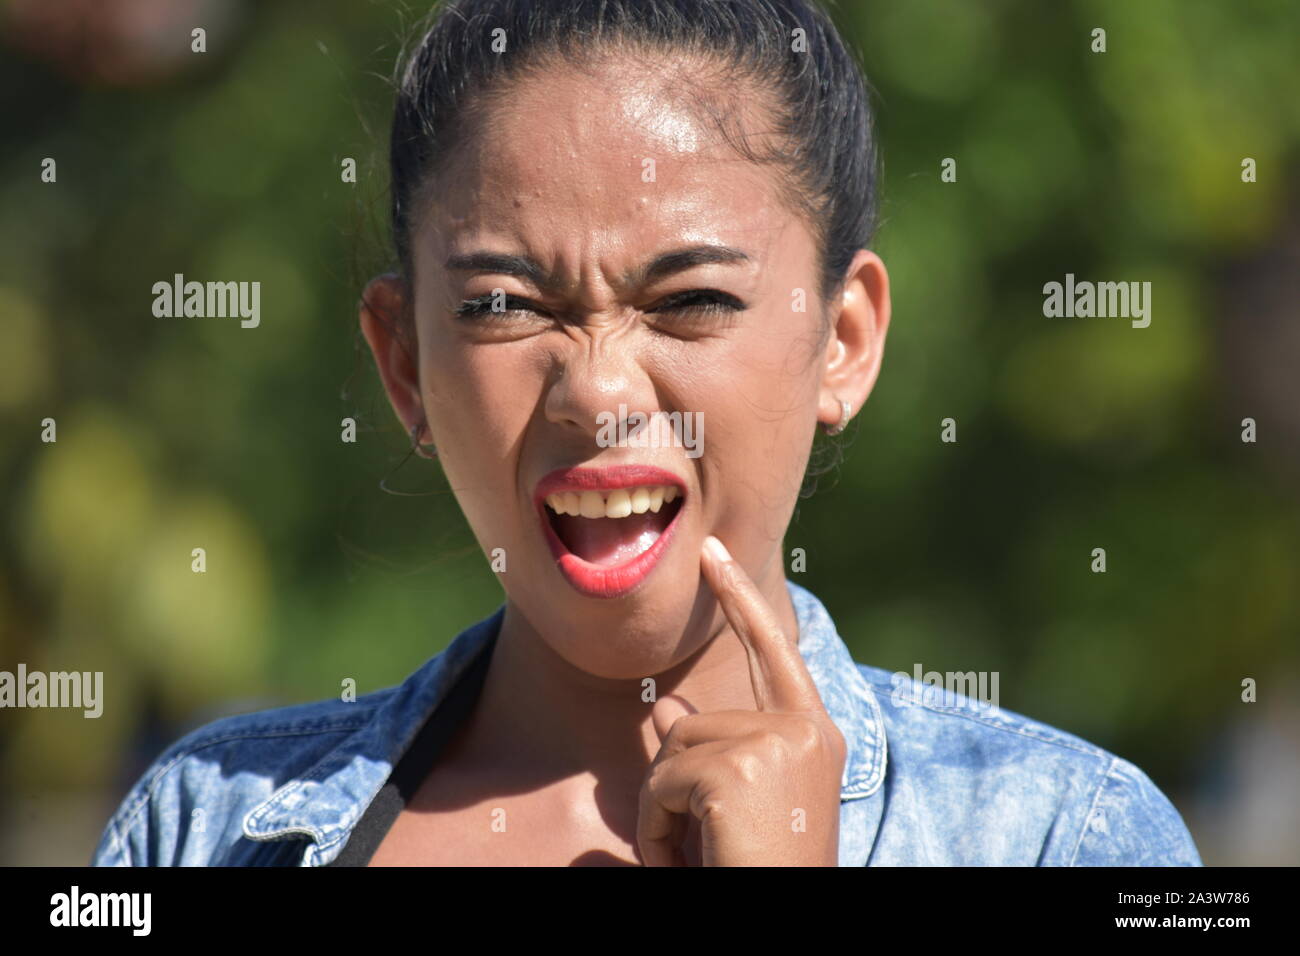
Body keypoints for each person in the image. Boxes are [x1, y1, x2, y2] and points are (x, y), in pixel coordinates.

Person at [92, 0, 1202, 866]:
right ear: (403, 361)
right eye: (503, 305)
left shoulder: (1061, 834)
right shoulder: (199, 825)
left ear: (843, 340)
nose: (599, 390)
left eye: (692, 300)